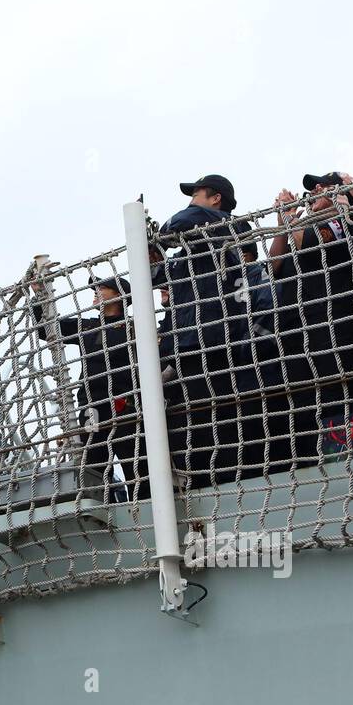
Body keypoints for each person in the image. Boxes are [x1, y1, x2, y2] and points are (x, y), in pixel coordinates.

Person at [152, 174, 271, 482]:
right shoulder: (189, 250)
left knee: (217, 416)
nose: (191, 200)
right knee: (194, 419)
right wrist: (150, 248)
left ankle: (226, 478)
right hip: (186, 344)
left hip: (214, 341)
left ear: (215, 198)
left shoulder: (225, 227)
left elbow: (177, 223)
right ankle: (204, 478)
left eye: (196, 194)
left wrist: (163, 234)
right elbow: (154, 276)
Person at [268, 173, 353, 458]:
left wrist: (290, 217)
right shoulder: (302, 226)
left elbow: (307, 241)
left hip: (334, 331)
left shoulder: (343, 220)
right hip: (299, 335)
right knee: (306, 406)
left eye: (323, 185)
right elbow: (274, 265)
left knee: (341, 402)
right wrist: (284, 222)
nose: (315, 190)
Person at [30, 272, 149, 503]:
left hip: (126, 406)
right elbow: (48, 331)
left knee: (136, 466)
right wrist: (39, 298)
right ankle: (102, 509)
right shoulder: (87, 326)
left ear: (119, 296)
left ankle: (144, 508)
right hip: (92, 408)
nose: (95, 292)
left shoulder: (136, 327)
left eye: (102, 288)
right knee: (93, 467)